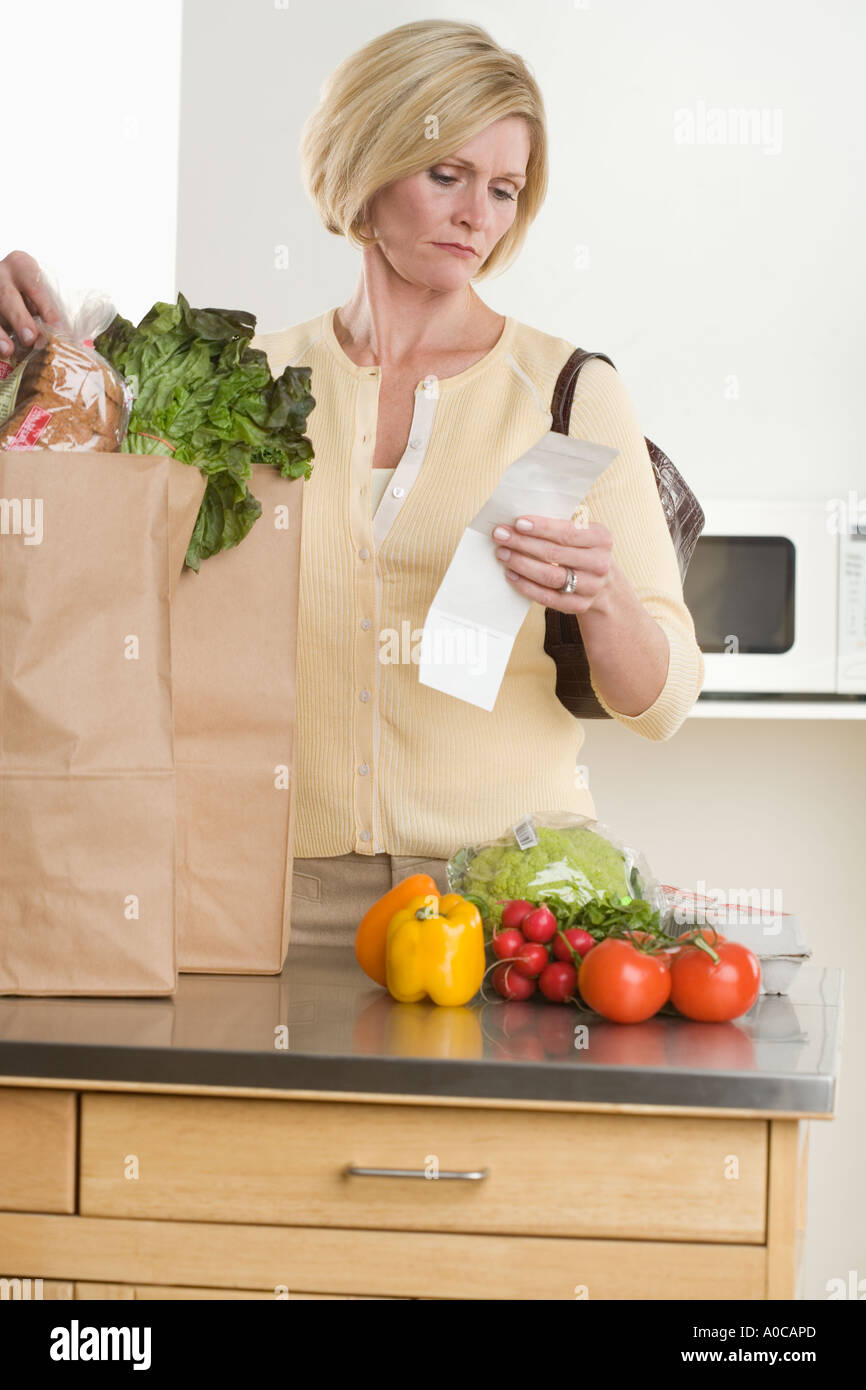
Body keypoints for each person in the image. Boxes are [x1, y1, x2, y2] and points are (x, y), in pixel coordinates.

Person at [0, 19, 704, 948]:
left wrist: (603, 598)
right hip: (273, 892)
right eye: (446, 176)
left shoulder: (569, 389)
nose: (478, 217)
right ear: (366, 171)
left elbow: (663, 699)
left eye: (503, 189)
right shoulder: (244, 383)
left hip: (514, 900)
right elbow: (92, 588)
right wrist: (29, 379)